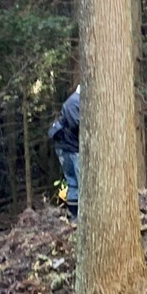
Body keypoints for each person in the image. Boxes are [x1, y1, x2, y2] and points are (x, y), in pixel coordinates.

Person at [48, 86, 81, 220]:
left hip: (65, 148)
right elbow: (77, 125)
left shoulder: (72, 102)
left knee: (72, 182)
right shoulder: (74, 102)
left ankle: (74, 216)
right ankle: (77, 216)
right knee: (79, 182)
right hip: (71, 149)